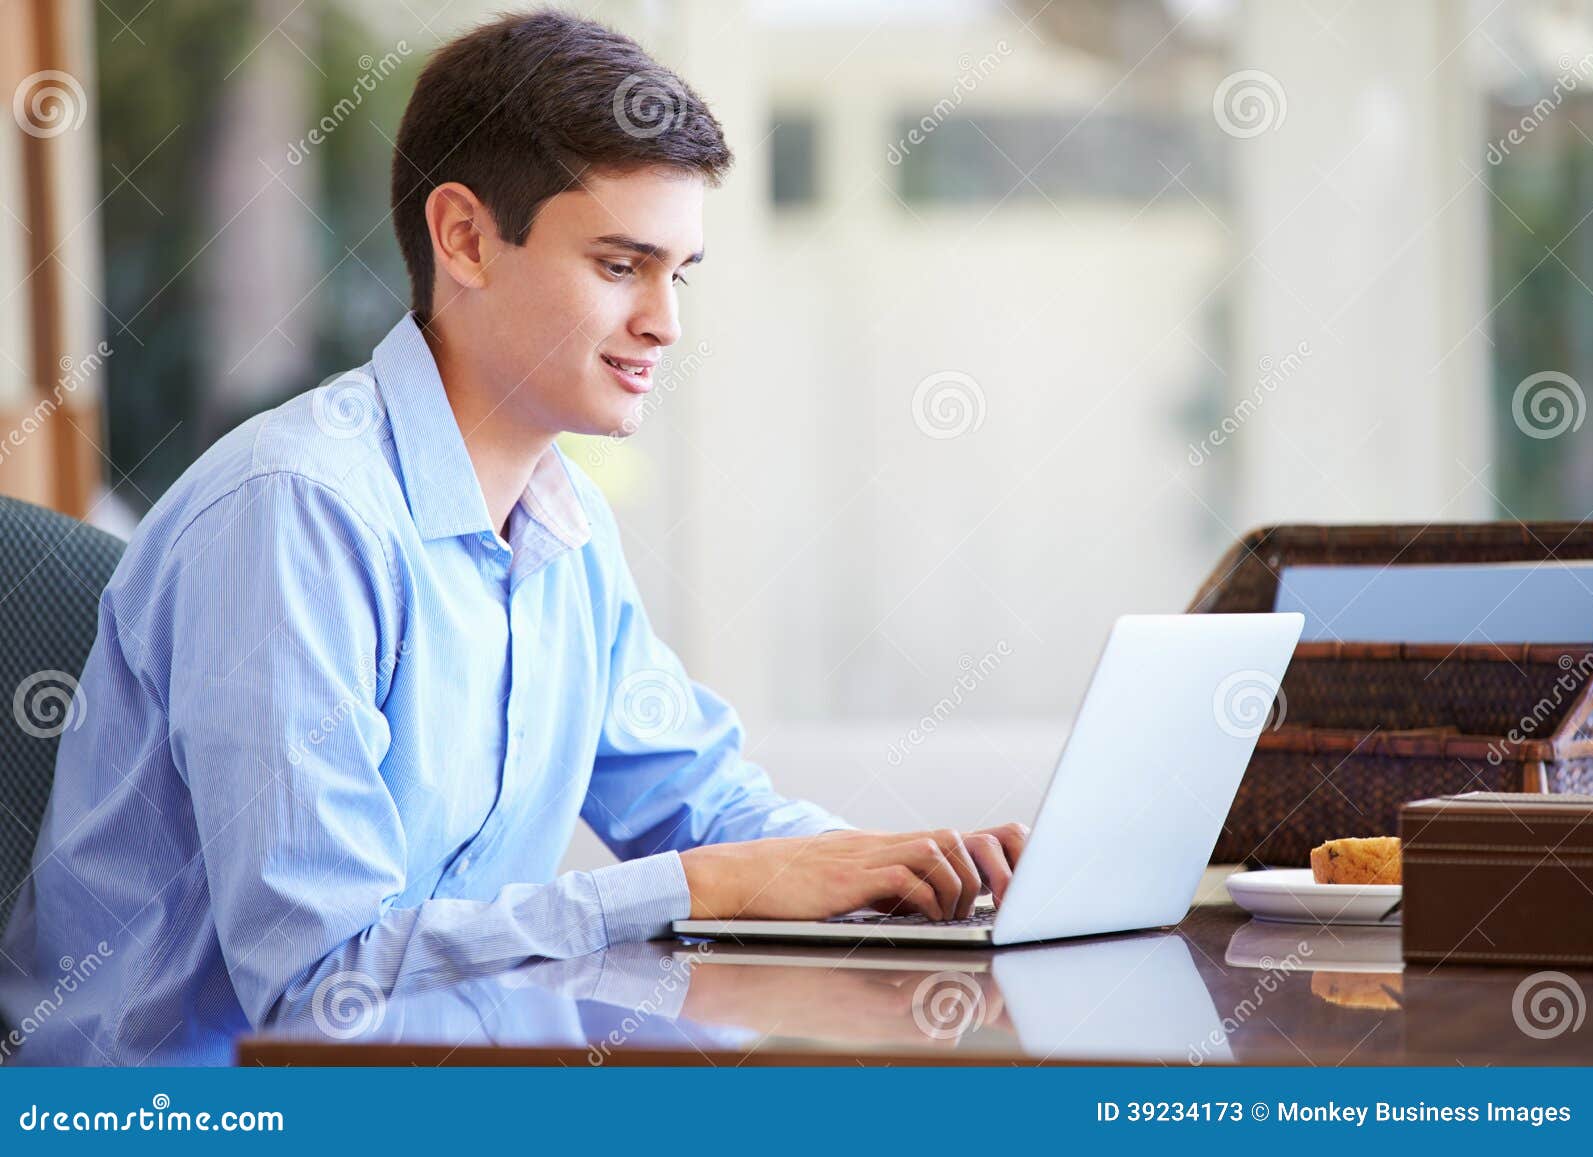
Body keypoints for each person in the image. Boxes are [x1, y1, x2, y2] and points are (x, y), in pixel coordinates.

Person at [0, 9, 1026, 1065]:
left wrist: (893, 871)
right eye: (623, 264)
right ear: (464, 238)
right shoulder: (295, 512)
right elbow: (320, 988)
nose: (666, 320)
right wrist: (703, 887)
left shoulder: (562, 524)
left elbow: (702, 801)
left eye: (681, 272)